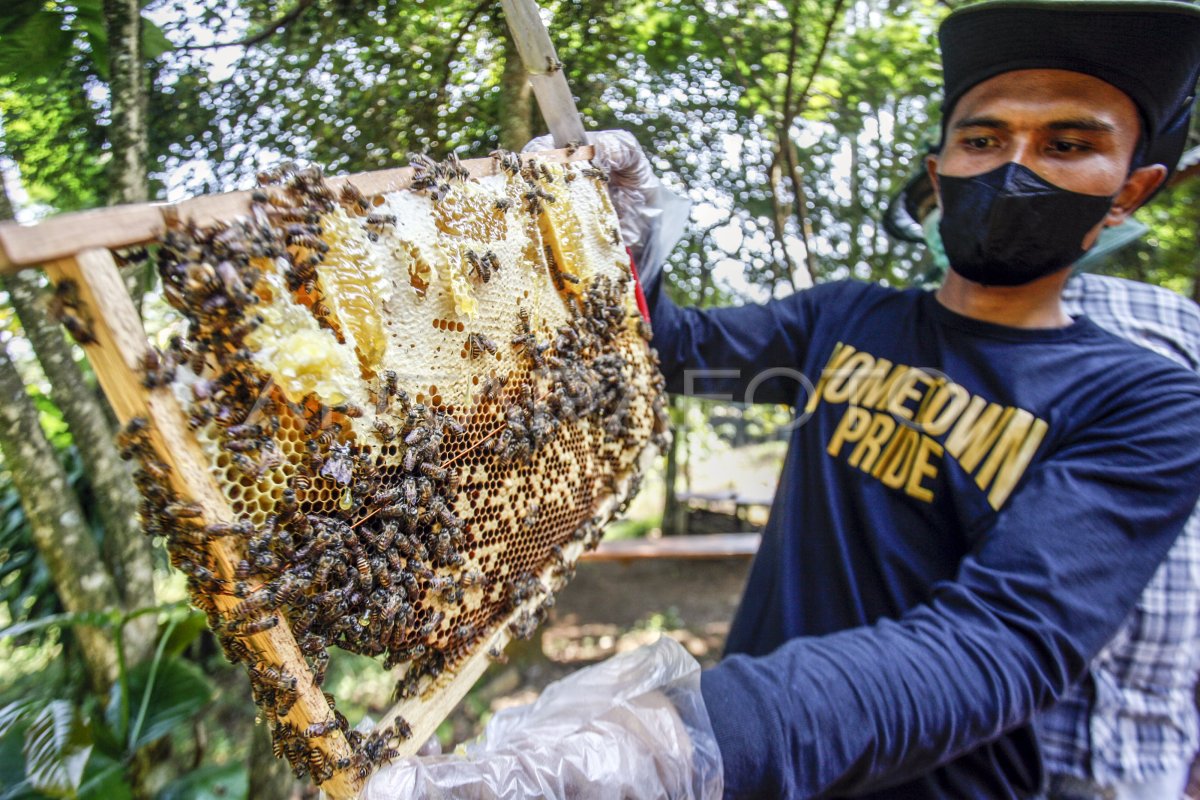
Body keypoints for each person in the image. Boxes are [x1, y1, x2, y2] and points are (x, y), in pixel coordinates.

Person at [368, 2, 1200, 798]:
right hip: (750, 774)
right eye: (983, 138)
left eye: (1068, 143)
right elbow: (671, 353)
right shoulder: (844, 319)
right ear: (939, 174)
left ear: (1130, 190)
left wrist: (680, 741)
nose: (1016, 165)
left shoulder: (1147, 402)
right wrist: (617, 249)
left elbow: (1003, 641)